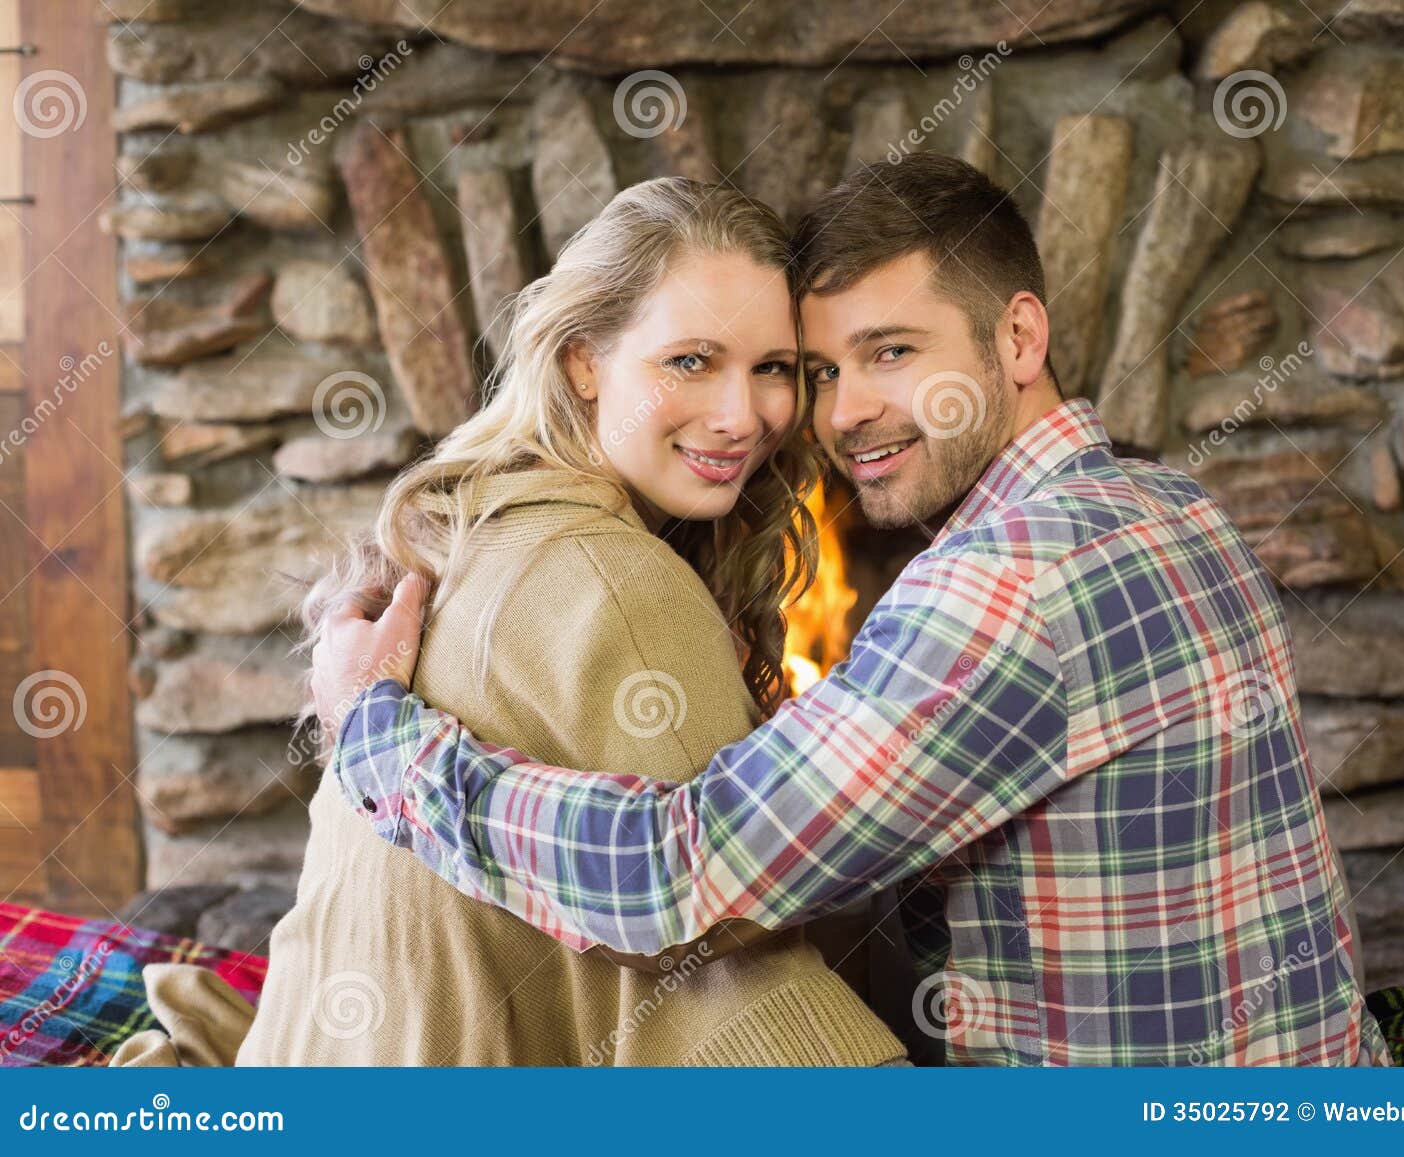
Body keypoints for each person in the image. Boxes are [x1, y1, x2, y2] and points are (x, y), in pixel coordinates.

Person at [316, 153, 1388, 1067]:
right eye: (820, 369)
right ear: (583, 365)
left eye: (892, 351)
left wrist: (380, 740)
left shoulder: (1010, 578)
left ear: (1018, 340)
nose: (843, 413)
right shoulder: (1167, 504)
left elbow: (678, 874)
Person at [150, 178, 908, 1067]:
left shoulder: (482, 524)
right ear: (585, 360)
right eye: (691, 361)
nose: (742, 416)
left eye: (772, 367)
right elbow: (732, 903)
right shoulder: (612, 575)